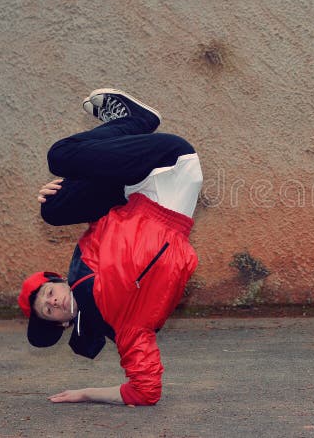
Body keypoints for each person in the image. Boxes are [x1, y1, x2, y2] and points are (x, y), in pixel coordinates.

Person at [18, 88, 203, 406]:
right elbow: (145, 392)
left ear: (59, 282)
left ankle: (137, 120)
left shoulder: (87, 259)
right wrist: (85, 394)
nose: (54, 303)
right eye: (49, 311)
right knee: (60, 156)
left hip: (140, 184)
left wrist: (62, 190)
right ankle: (136, 121)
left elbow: (102, 212)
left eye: (50, 294)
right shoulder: (126, 329)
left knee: (52, 204)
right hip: (171, 168)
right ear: (62, 323)